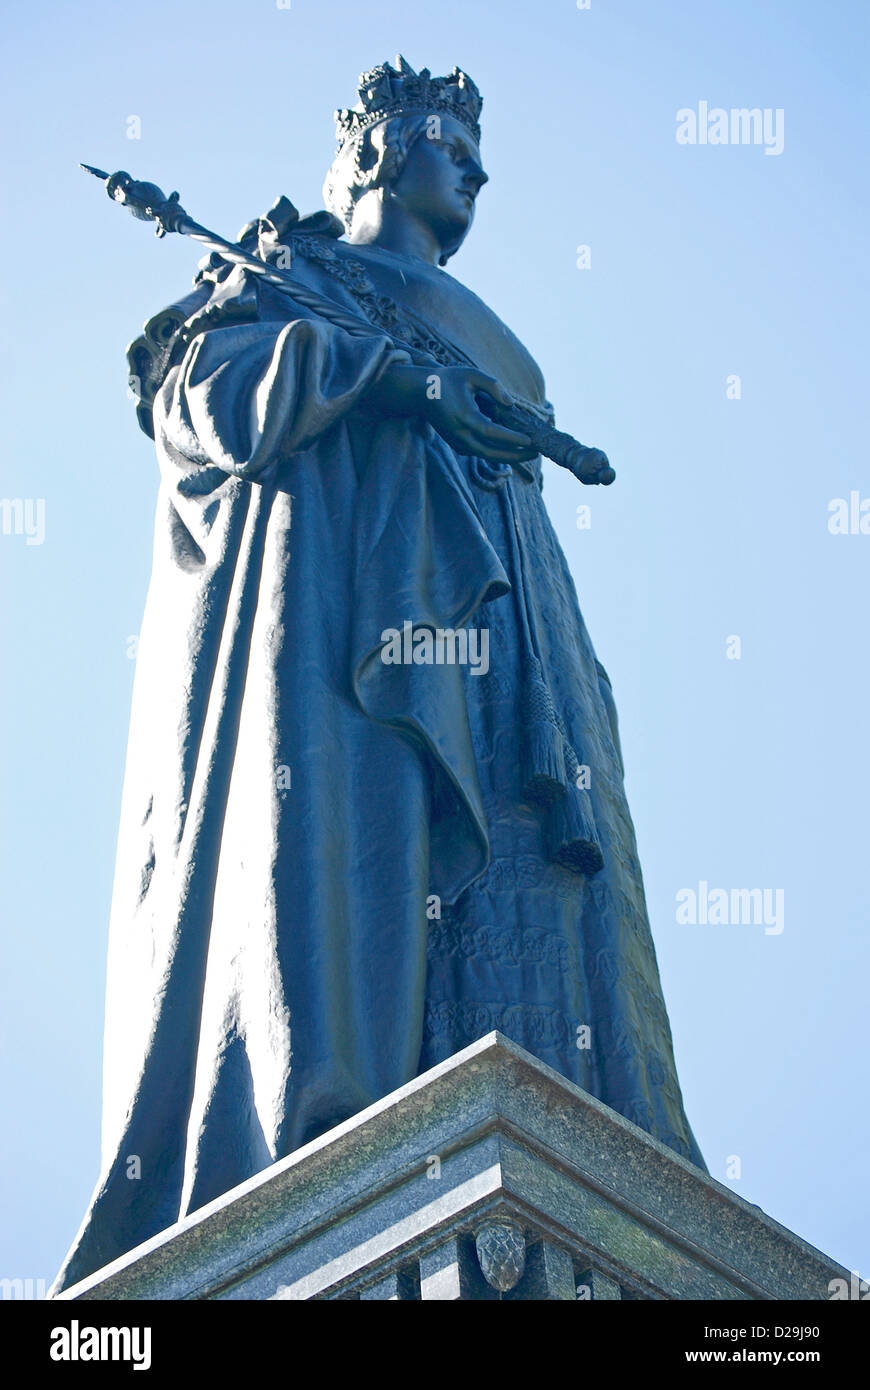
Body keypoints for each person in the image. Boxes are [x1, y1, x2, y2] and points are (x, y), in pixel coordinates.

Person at [52, 57, 704, 1294]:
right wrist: (384, 377)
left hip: (511, 629)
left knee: (532, 914)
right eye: (448, 141)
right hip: (349, 636)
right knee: (364, 893)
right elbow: (201, 400)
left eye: (478, 151)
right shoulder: (275, 278)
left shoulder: (487, 339)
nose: (476, 170)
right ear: (371, 151)